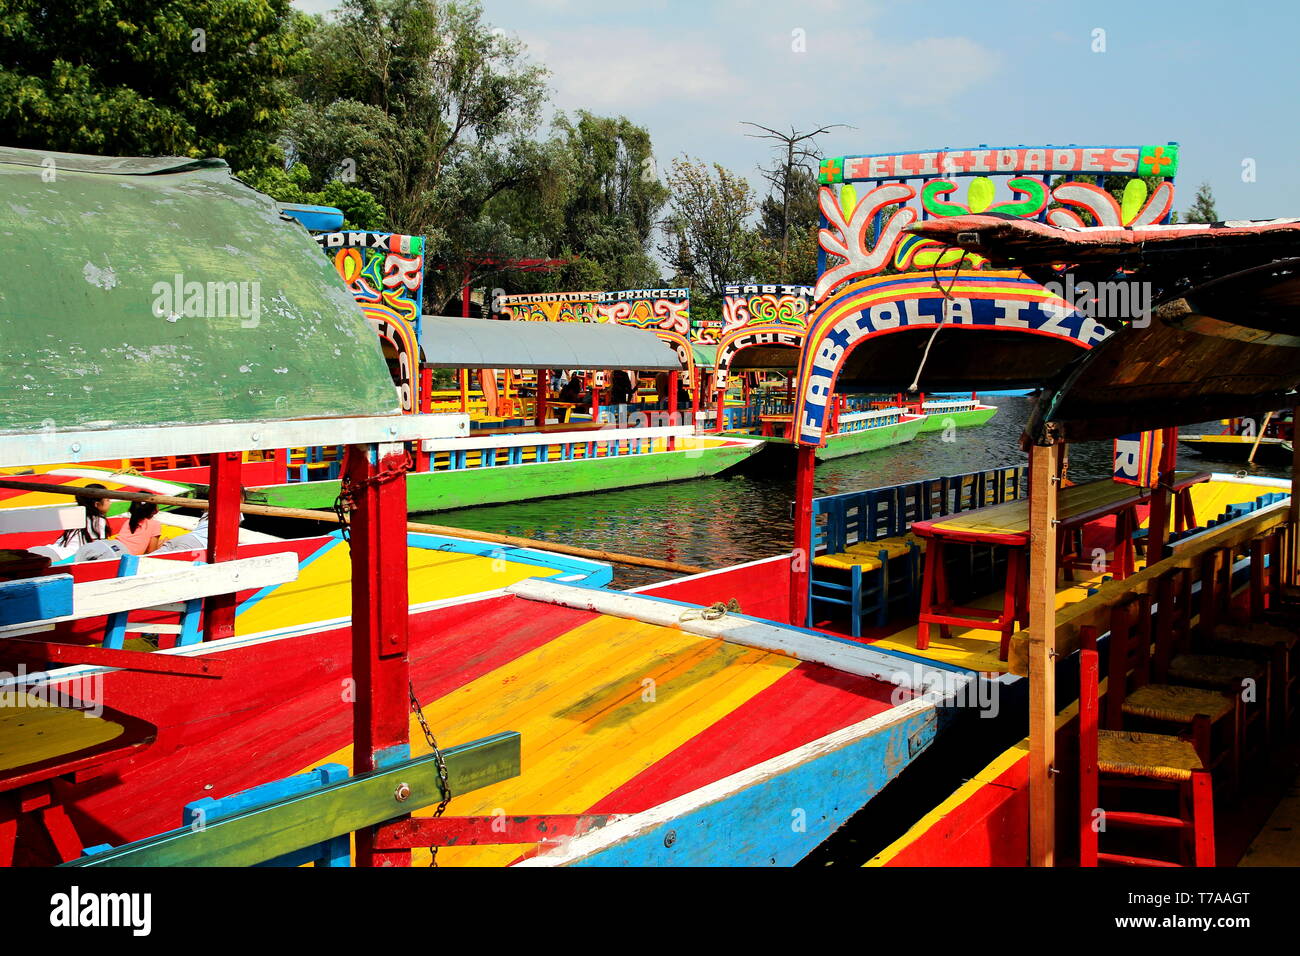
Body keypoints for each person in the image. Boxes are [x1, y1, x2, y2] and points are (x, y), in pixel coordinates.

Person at [50, 483, 110, 557]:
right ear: (97, 504)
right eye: (108, 500)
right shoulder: (98, 520)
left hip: (54, 549)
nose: (110, 503)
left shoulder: (78, 515)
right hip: (65, 555)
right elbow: (101, 547)